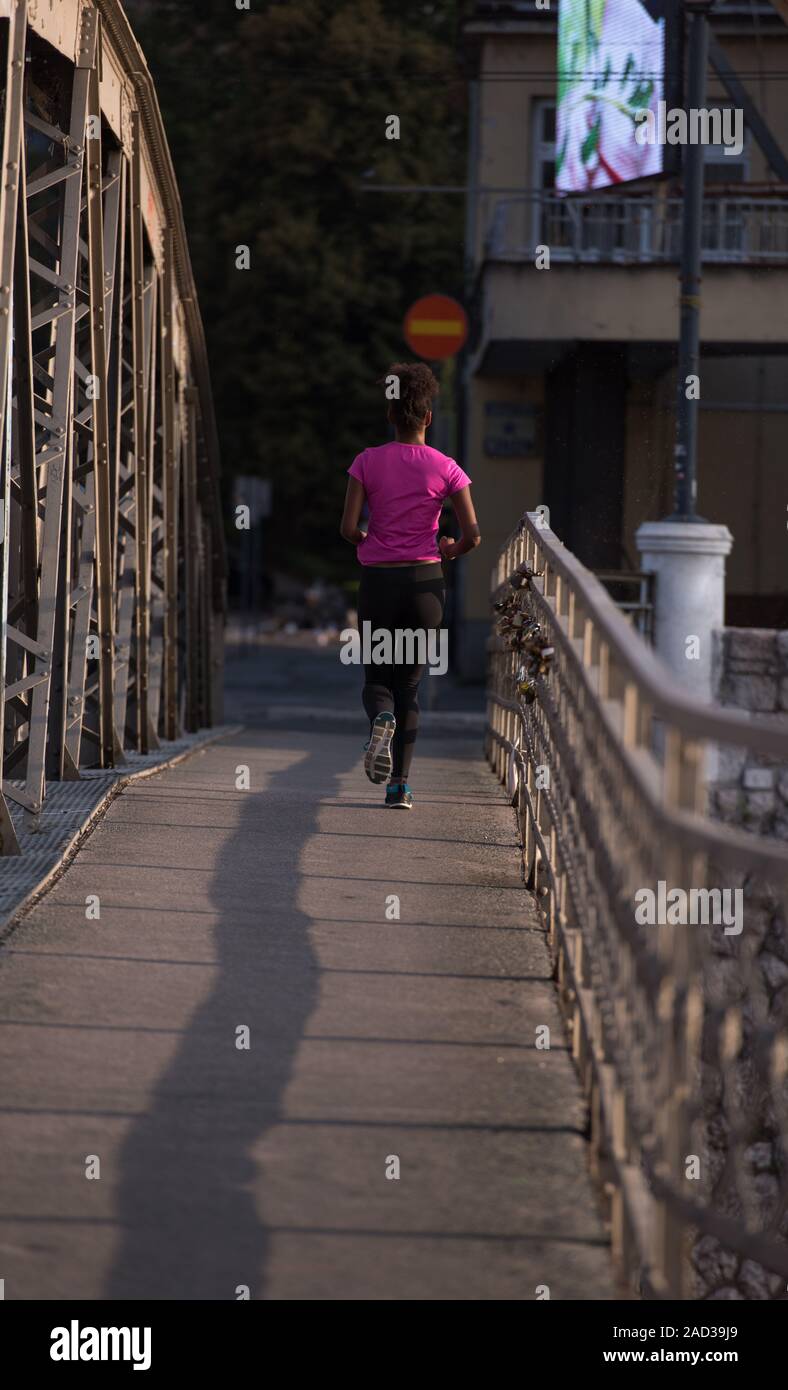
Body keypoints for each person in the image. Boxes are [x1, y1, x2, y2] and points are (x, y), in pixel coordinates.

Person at [339, 362, 481, 809]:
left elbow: (347, 528)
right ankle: (399, 785)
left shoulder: (366, 462)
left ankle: (380, 718)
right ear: (428, 418)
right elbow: (473, 534)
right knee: (411, 687)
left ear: (390, 415)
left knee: (377, 678)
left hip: (380, 582)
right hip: (426, 585)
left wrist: (367, 540)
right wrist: (450, 548)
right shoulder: (447, 467)